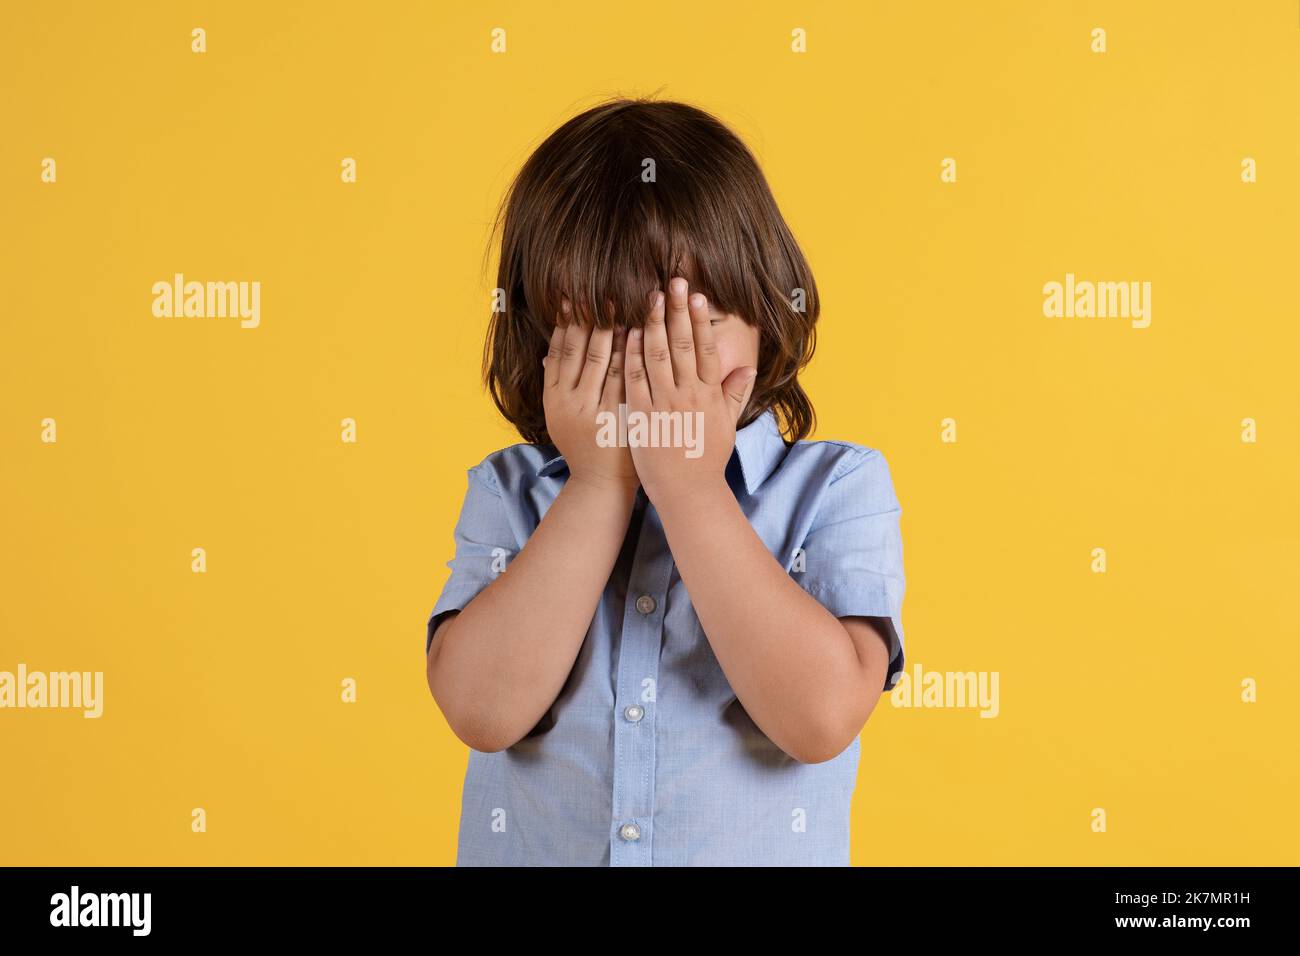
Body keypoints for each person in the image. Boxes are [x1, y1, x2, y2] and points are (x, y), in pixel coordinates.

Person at [425, 97, 906, 866]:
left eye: (688, 330)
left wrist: (690, 490)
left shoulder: (836, 487)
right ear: (543, 342)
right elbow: (482, 711)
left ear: (763, 311)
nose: (653, 369)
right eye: (603, 334)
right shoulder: (510, 493)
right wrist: (595, 487)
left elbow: (819, 719)